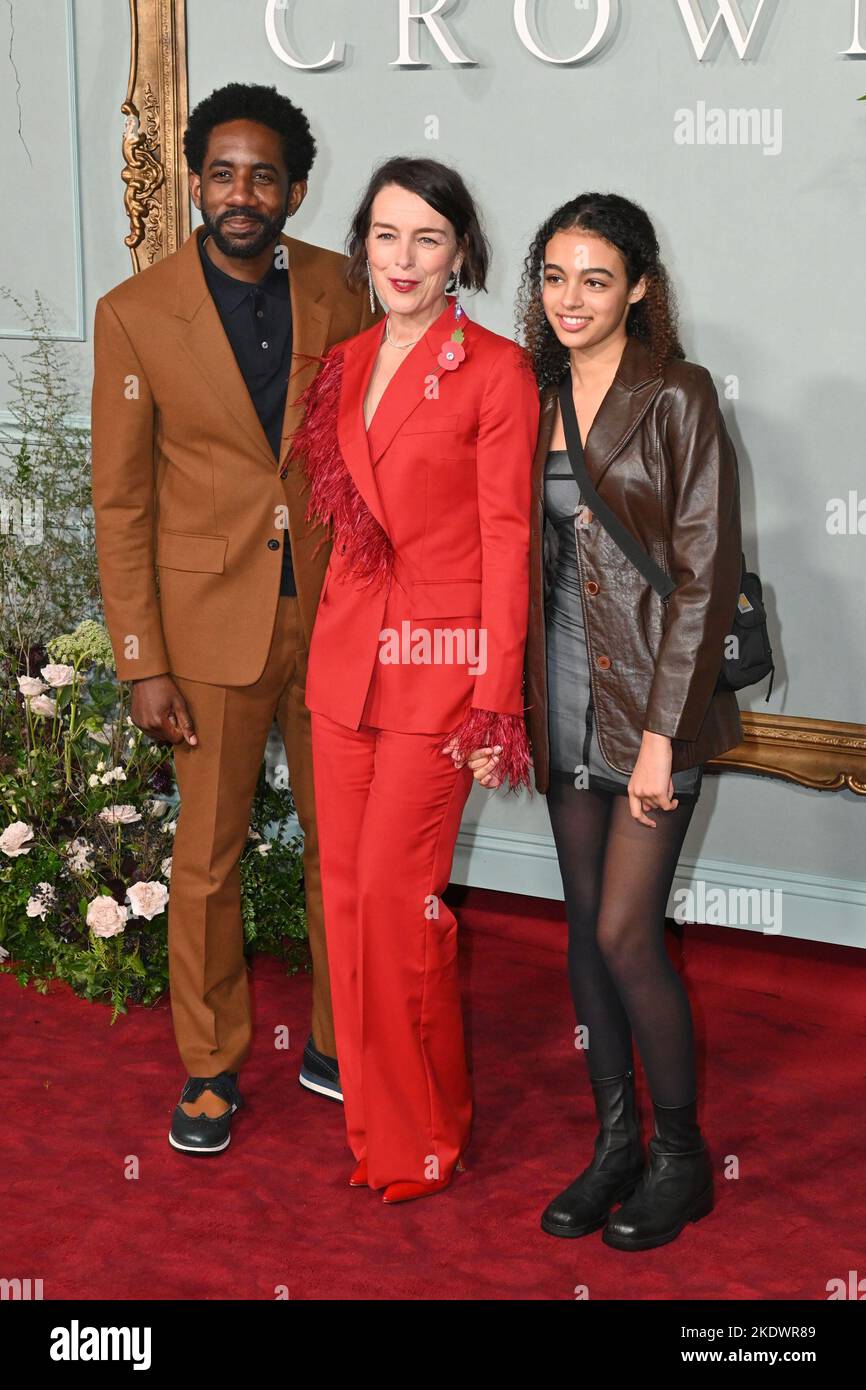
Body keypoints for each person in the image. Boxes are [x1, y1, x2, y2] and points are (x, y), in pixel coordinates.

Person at [91, 83, 379, 1155]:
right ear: (196, 183)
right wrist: (140, 660)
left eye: (263, 174)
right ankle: (209, 1066)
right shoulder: (133, 312)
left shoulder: (343, 291)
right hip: (206, 633)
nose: (242, 193)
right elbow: (119, 501)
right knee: (206, 860)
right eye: (222, 172)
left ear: (295, 188)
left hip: (334, 616)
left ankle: (339, 1043)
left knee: (339, 848)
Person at [475, 192, 742, 1247]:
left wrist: (663, 740)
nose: (570, 297)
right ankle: (614, 1141)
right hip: (560, 702)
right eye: (552, 276)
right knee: (585, 932)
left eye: (594, 277)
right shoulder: (526, 393)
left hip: (649, 708)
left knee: (629, 934)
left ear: (637, 286)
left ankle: (681, 1157)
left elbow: (703, 573)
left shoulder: (677, 397)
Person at [290, 156, 539, 1201]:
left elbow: (506, 539)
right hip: (344, 669)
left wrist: (496, 700)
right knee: (346, 902)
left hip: (437, 678)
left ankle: (424, 1132)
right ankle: (373, 1123)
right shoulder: (341, 362)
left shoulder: (494, 370)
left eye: (426, 238)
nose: (402, 258)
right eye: (385, 235)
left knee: (400, 903)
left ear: (459, 256)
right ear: (362, 245)